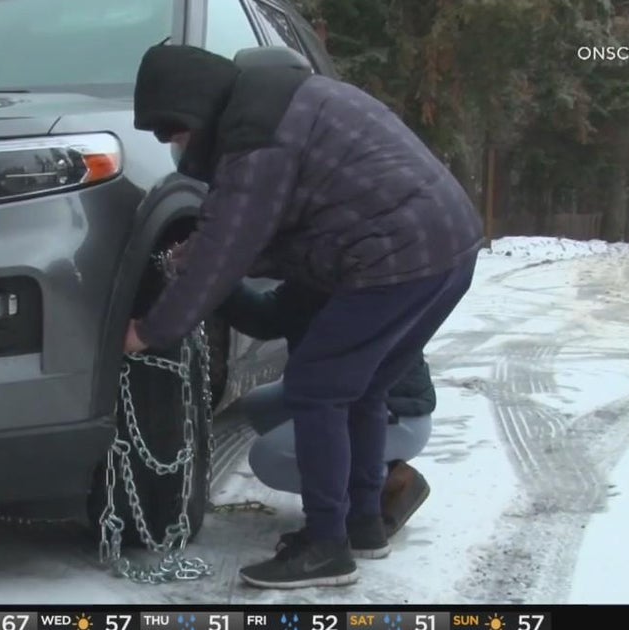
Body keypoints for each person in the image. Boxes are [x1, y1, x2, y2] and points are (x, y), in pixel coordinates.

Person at [124, 44, 483, 589]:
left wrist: (149, 330)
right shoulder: (296, 103)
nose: (177, 148)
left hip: (397, 255)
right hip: (448, 247)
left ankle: (325, 548)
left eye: (175, 134)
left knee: (316, 387)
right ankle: (363, 524)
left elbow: (229, 243)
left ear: (194, 110)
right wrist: (199, 261)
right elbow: (281, 228)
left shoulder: (255, 139)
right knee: (362, 388)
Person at [212, 279, 434, 545]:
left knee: (269, 457)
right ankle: (360, 469)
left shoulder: (358, 275)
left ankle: (384, 483)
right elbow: (269, 317)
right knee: (259, 405)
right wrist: (218, 281)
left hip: (396, 413)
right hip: (352, 395)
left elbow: (338, 384)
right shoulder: (319, 265)